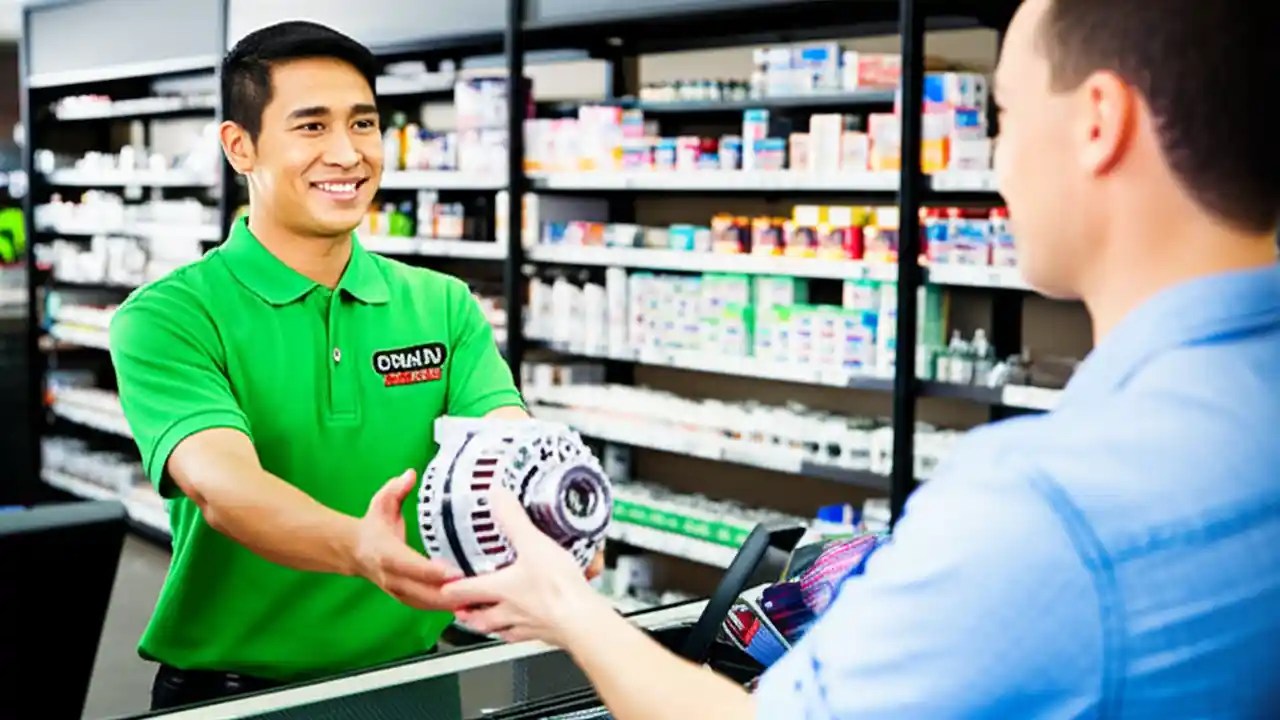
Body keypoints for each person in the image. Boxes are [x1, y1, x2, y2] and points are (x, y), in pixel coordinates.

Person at [440, 0, 1280, 717]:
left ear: (1098, 122)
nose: (996, 160)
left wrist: (566, 606)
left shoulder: (1041, 504)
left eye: (1005, 115)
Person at [108, 20, 594, 711]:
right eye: (311, 127)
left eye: (363, 124)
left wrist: (555, 519)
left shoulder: (441, 305)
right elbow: (225, 489)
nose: (347, 153)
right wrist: (359, 548)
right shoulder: (171, 316)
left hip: (414, 684)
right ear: (240, 146)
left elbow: (507, 445)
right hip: (236, 700)